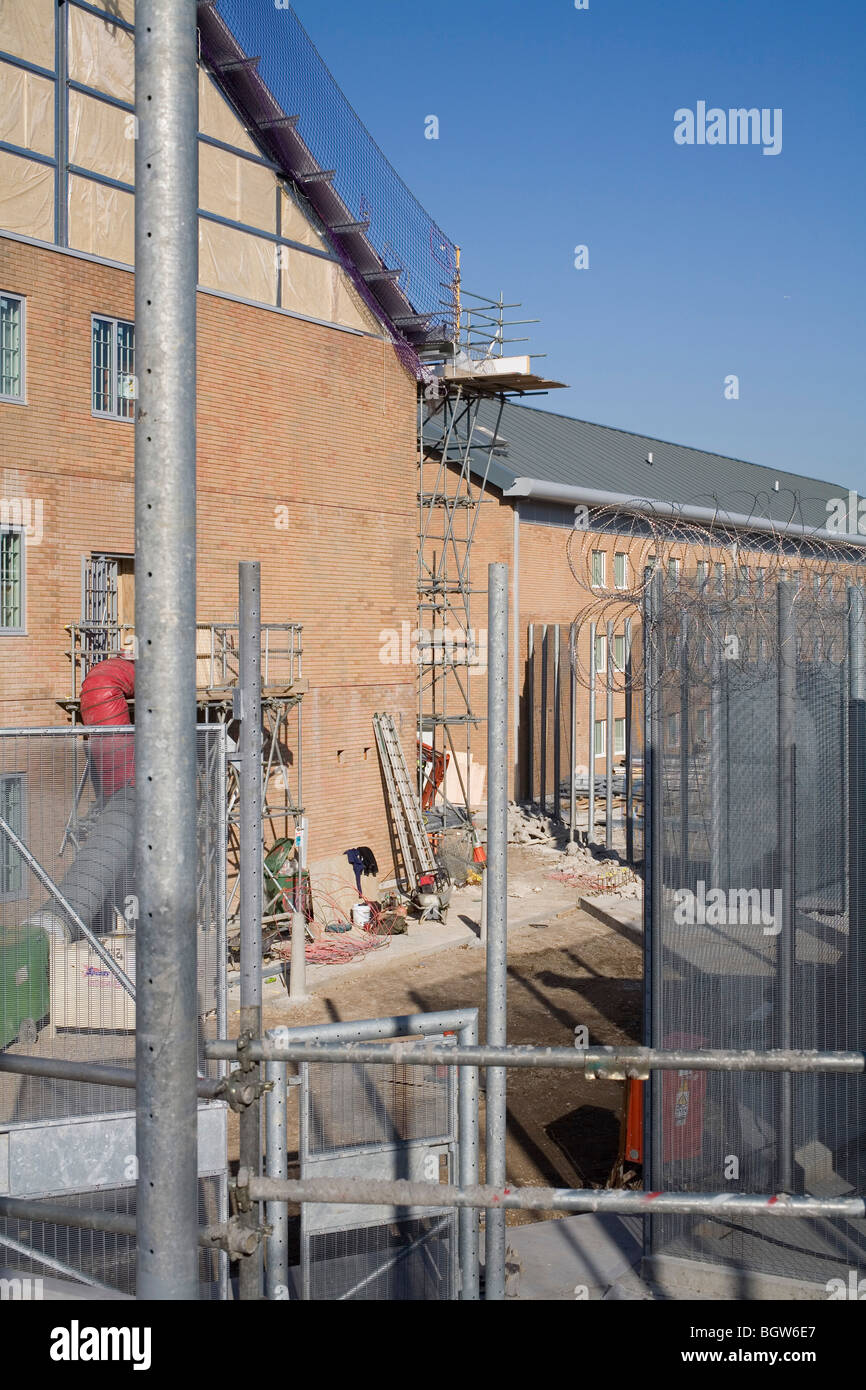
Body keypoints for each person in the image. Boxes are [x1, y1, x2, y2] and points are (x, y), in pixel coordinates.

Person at [30, 635, 137, 943]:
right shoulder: (108, 680)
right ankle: (55, 926)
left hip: (123, 794)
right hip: (124, 793)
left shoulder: (107, 676)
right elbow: (105, 686)